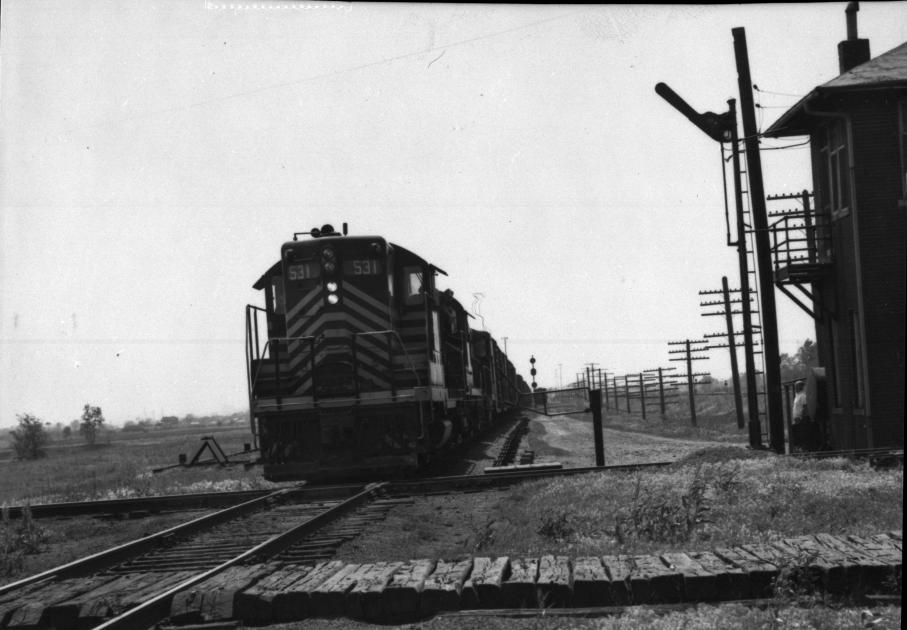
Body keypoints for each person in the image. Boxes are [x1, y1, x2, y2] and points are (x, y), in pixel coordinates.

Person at [791, 380, 808, 451]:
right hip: (796, 419)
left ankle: (803, 450)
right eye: (795, 386)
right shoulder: (797, 396)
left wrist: (801, 418)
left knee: (801, 436)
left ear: (801, 387)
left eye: (797, 386)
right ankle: (798, 449)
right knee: (796, 435)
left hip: (801, 420)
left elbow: (805, 407)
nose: (795, 388)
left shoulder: (803, 396)